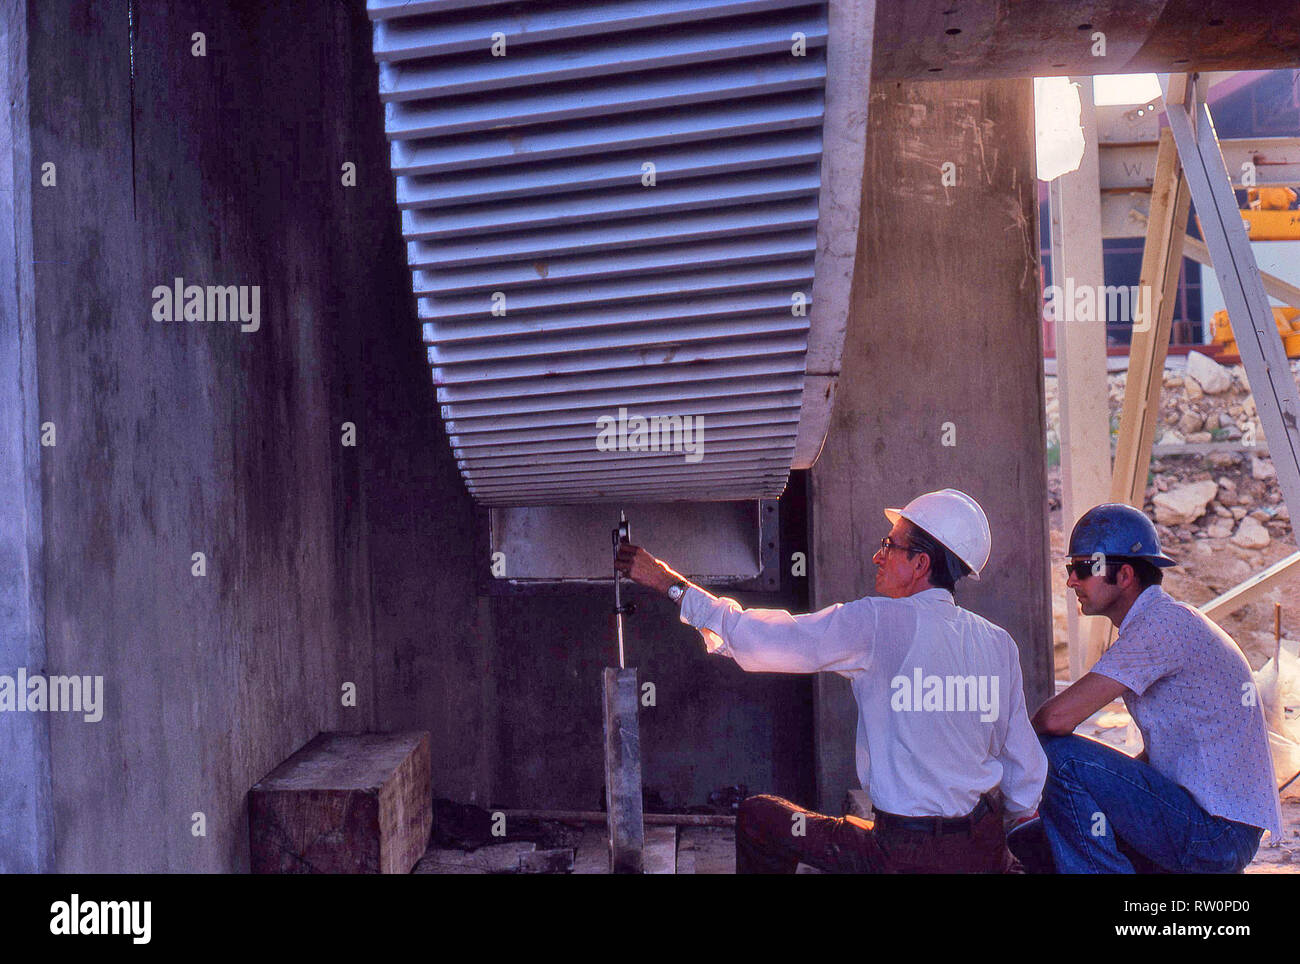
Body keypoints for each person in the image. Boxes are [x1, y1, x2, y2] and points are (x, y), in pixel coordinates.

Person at [615, 488, 1046, 873]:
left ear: (920, 563)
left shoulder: (876, 623)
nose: (878, 556)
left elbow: (759, 638)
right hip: (983, 852)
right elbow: (1024, 776)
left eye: (889, 546)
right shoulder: (998, 643)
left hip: (902, 855)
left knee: (760, 817)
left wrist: (670, 584)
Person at [1011, 502, 1282, 874]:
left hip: (1215, 836)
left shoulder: (1160, 626)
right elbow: (1154, 764)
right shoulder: (1162, 623)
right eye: (1070, 569)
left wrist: (993, 767)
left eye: (1083, 568)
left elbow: (1055, 719)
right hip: (1210, 828)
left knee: (1059, 756)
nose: (1072, 580)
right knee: (1031, 842)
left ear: (1124, 575)